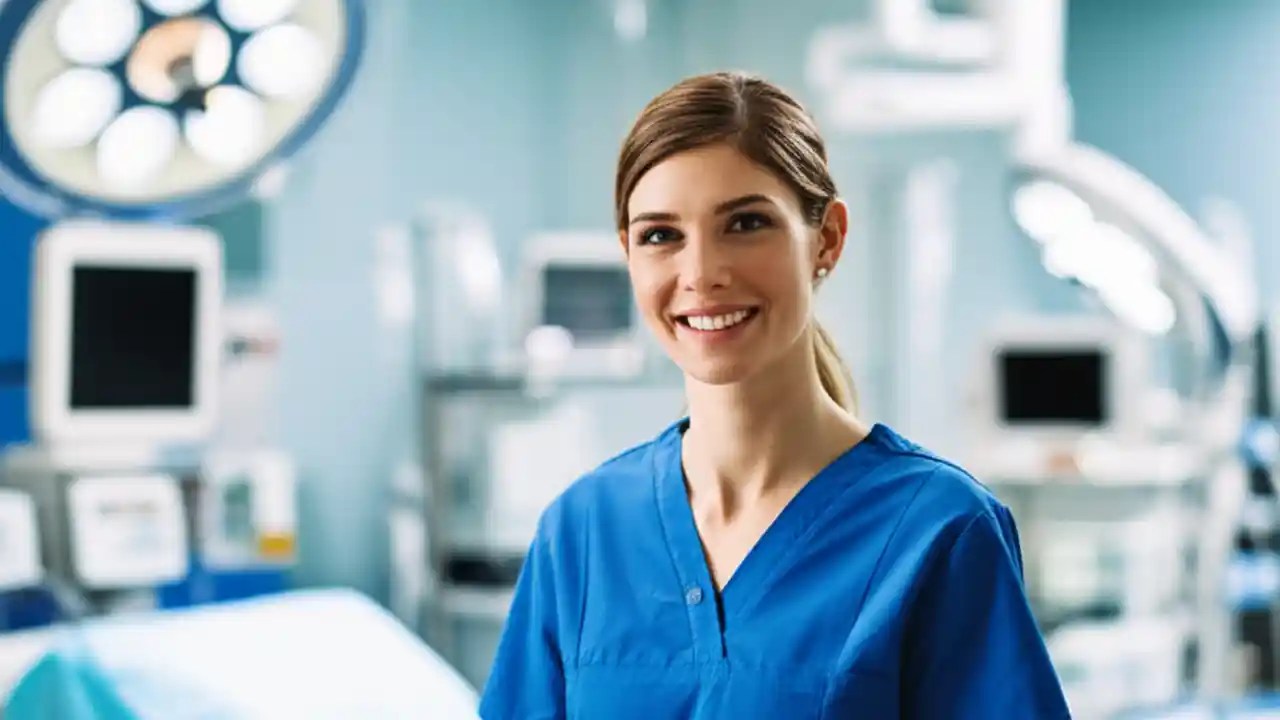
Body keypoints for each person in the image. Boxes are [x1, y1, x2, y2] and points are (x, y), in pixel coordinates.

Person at [479, 71, 1071, 719]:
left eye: (745, 223)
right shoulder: (583, 530)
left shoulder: (937, 529)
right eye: (660, 235)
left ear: (828, 239)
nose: (701, 272)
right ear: (629, 254)